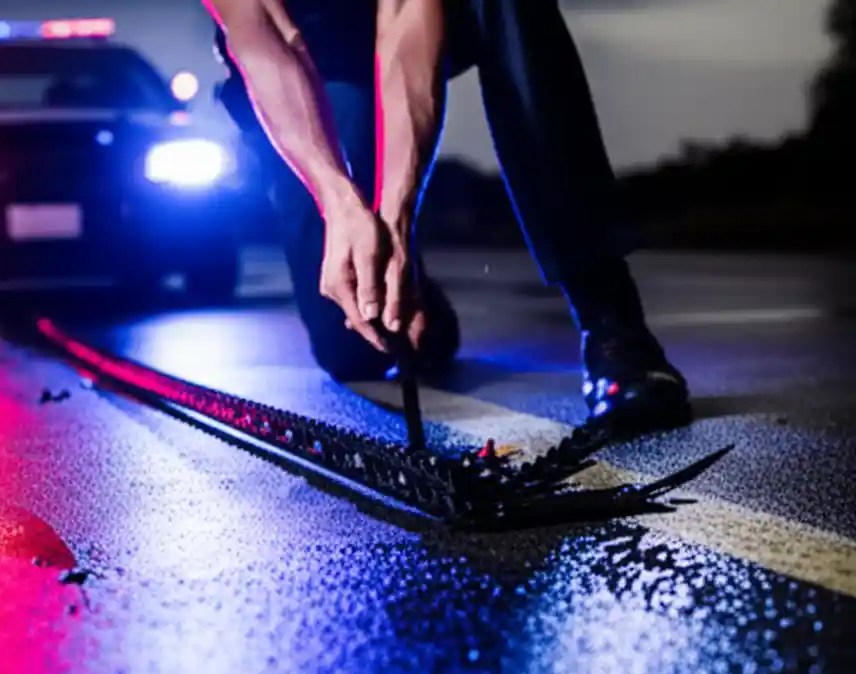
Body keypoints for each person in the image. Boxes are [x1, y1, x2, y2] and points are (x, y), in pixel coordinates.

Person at [204, 0, 691, 434]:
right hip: (312, 51)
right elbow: (263, 35)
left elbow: (405, 23)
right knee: (353, 348)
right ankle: (417, 301)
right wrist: (339, 203)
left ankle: (612, 322)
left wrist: (396, 216)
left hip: (402, 17)